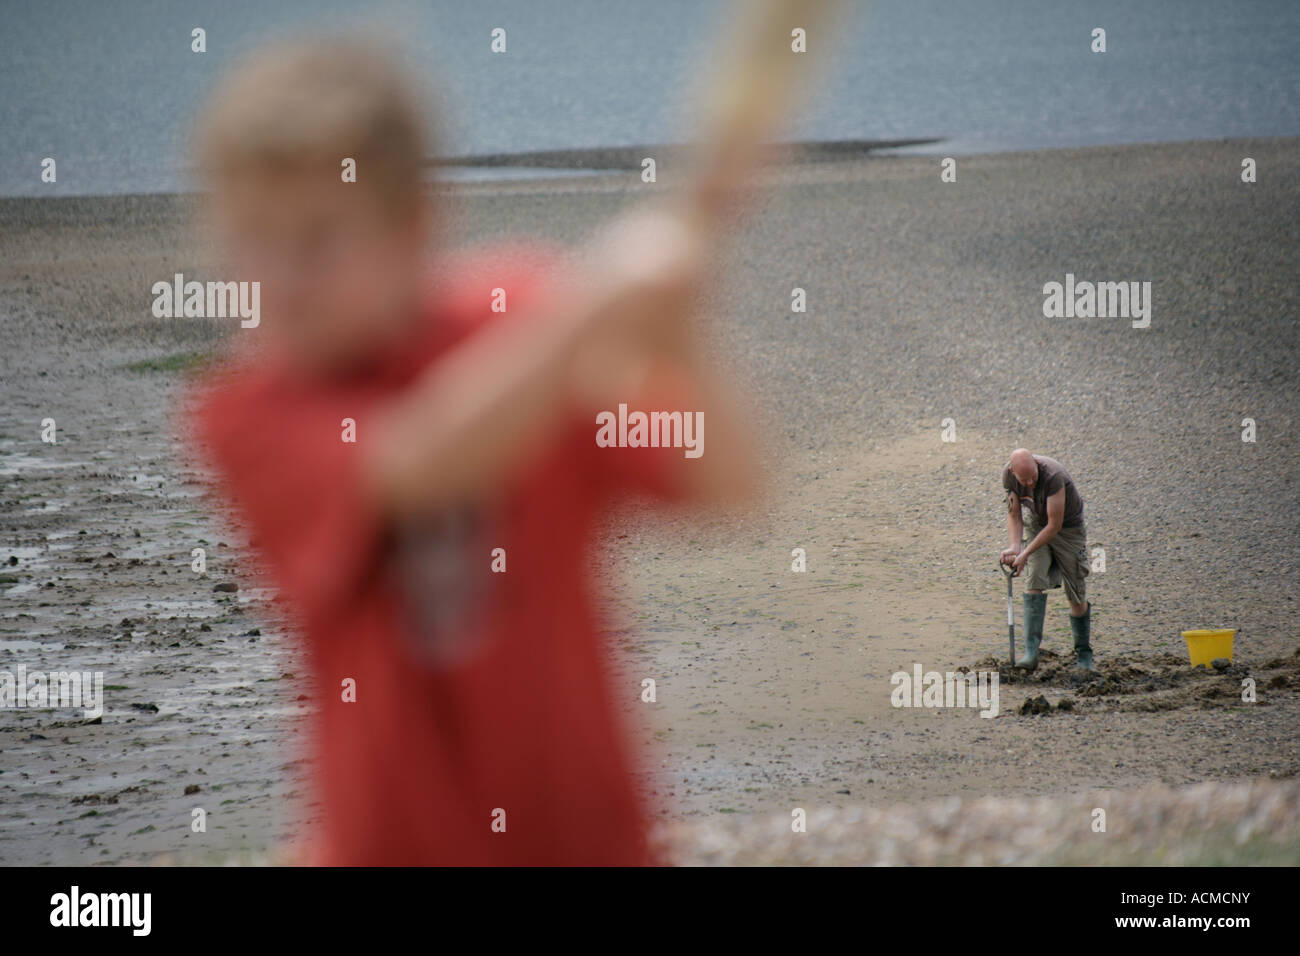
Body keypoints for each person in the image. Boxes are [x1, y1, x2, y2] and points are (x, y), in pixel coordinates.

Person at [186, 36, 756, 865]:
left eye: (316, 240)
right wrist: (594, 309)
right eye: (250, 239)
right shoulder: (245, 414)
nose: (279, 278)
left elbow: (730, 484)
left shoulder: (521, 319)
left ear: (414, 226)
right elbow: (413, 463)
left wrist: (681, 326)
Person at [999, 448, 1097, 675]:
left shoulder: (1053, 475)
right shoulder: (1008, 476)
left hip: (1068, 530)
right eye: (1025, 479)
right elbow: (1014, 515)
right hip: (1037, 525)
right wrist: (1015, 547)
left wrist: (1025, 554)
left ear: (1035, 463)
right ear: (1013, 472)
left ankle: (1084, 655)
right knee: (1034, 580)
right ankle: (1031, 653)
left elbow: (1055, 525)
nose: (1031, 482)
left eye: (1033, 476)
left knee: (1076, 592)